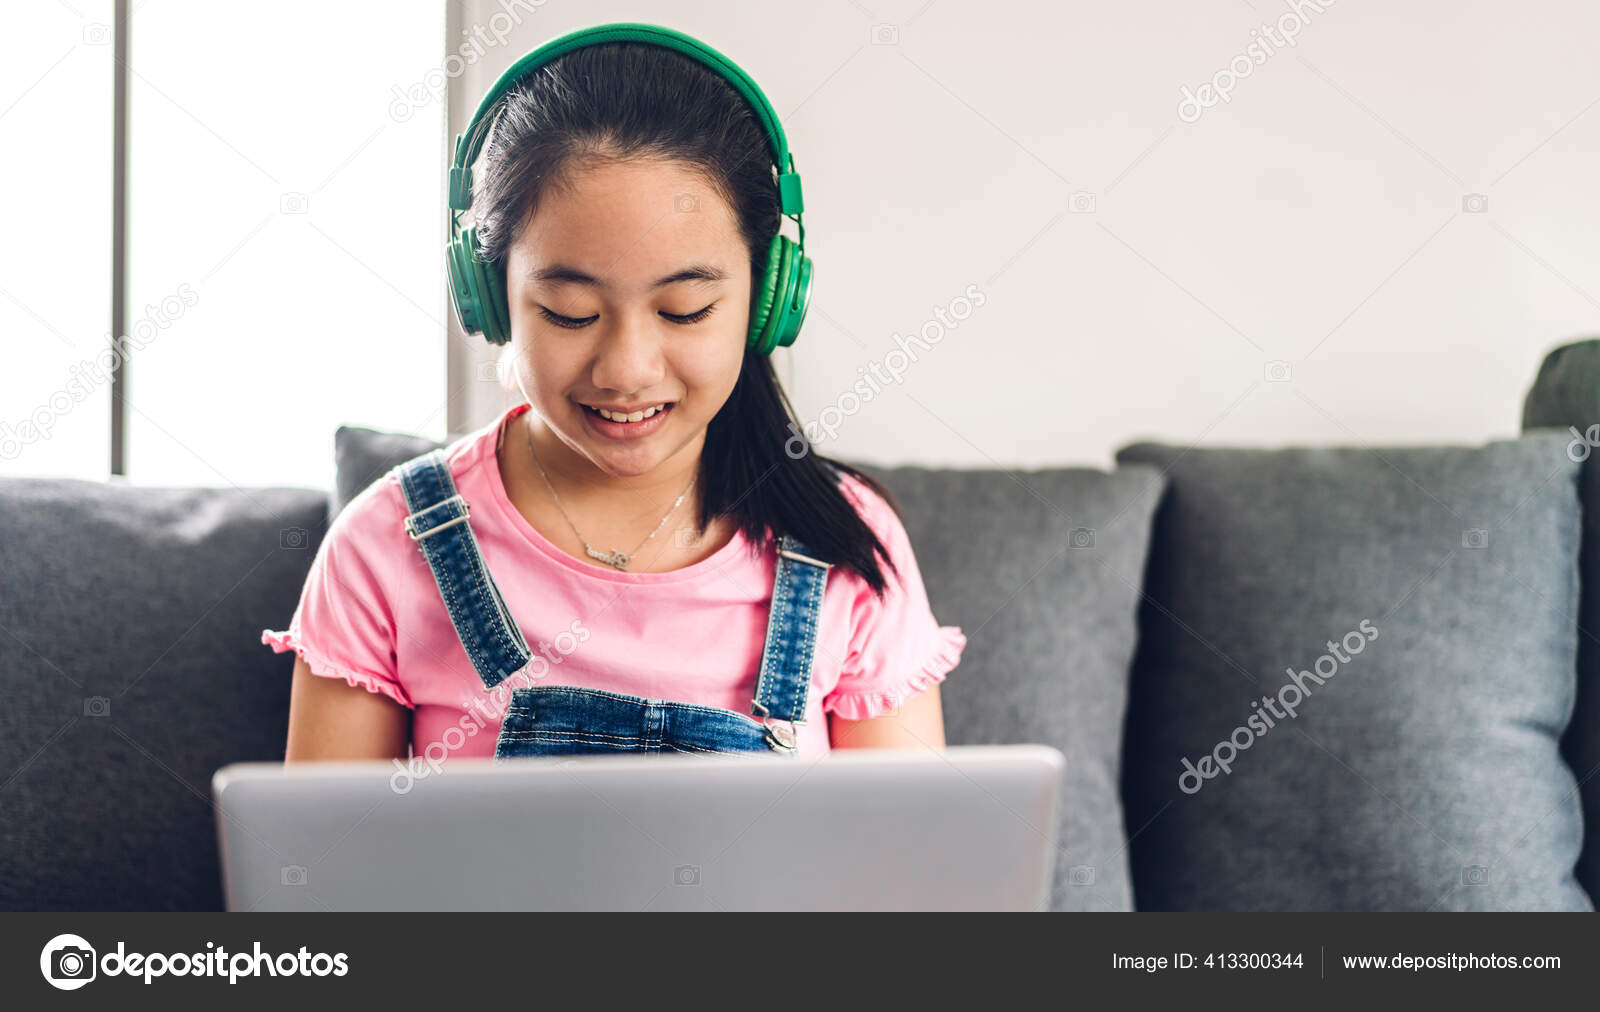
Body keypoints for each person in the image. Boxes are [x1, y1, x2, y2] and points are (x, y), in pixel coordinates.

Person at [266, 24, 965, 763]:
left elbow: (908, 870)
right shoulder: (386, 545)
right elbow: (326, 872)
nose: (626, 369)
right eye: (572, 313)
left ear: (769, 299)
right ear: (491, 301)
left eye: (685, 311)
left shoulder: (848, 545)